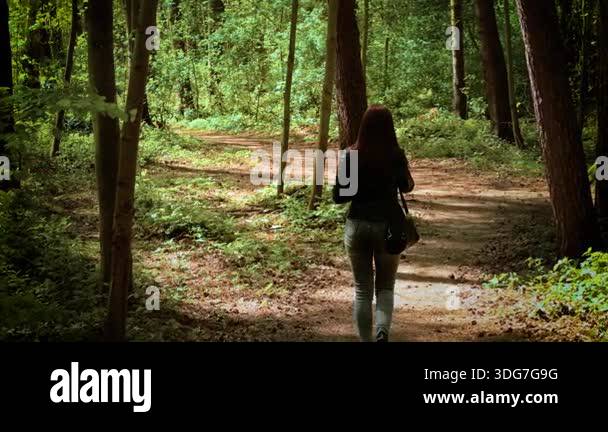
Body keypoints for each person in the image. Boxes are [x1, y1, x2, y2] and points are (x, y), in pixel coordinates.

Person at [333, 105, 414, 342]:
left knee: (362, 289)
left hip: (357, 224)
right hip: (389, 226)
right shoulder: (395, 154)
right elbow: (407, 187)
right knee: (386, 287)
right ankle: (382, 332)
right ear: (389, 128)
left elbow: (338, 197)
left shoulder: (351, 154)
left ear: (363, 127)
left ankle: (366, 340)